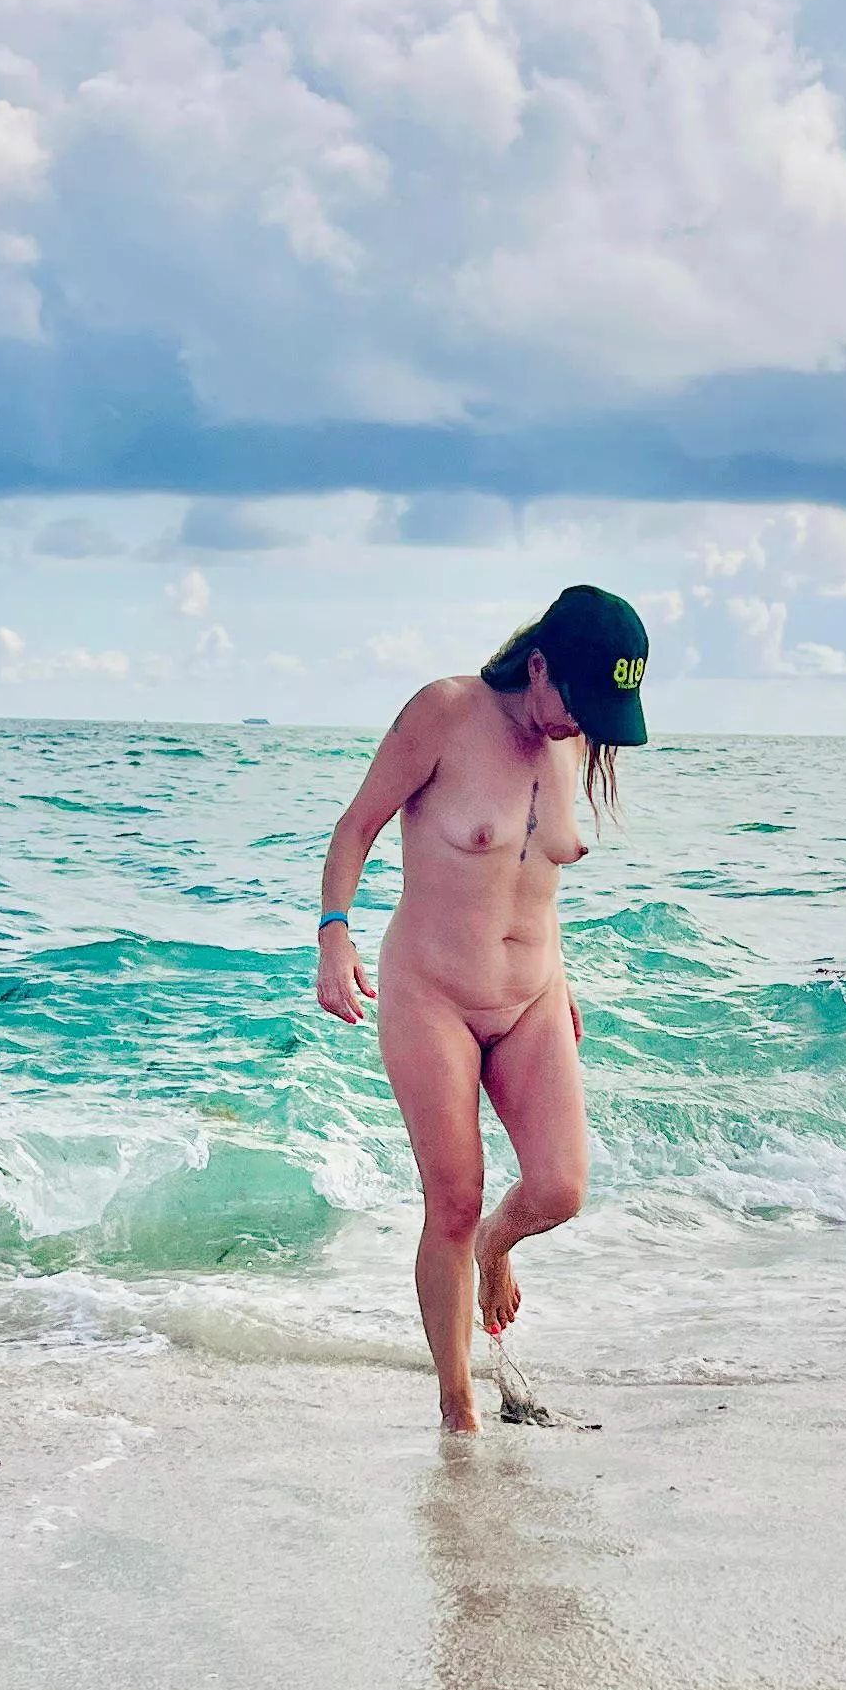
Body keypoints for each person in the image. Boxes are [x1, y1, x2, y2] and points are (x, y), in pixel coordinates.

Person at [314, 585, 649, 1430]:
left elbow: (536, 884)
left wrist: (560, 983)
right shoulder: (444, 712)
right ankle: (458, 1405)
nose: (585, 724)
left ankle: (498, 1247)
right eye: (581, 700)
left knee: (561, 1188)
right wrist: (333, 938)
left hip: (533, 995)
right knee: (453, 1199)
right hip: (432, 993)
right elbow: (356, 826)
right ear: (539, 666)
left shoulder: (568, 747)